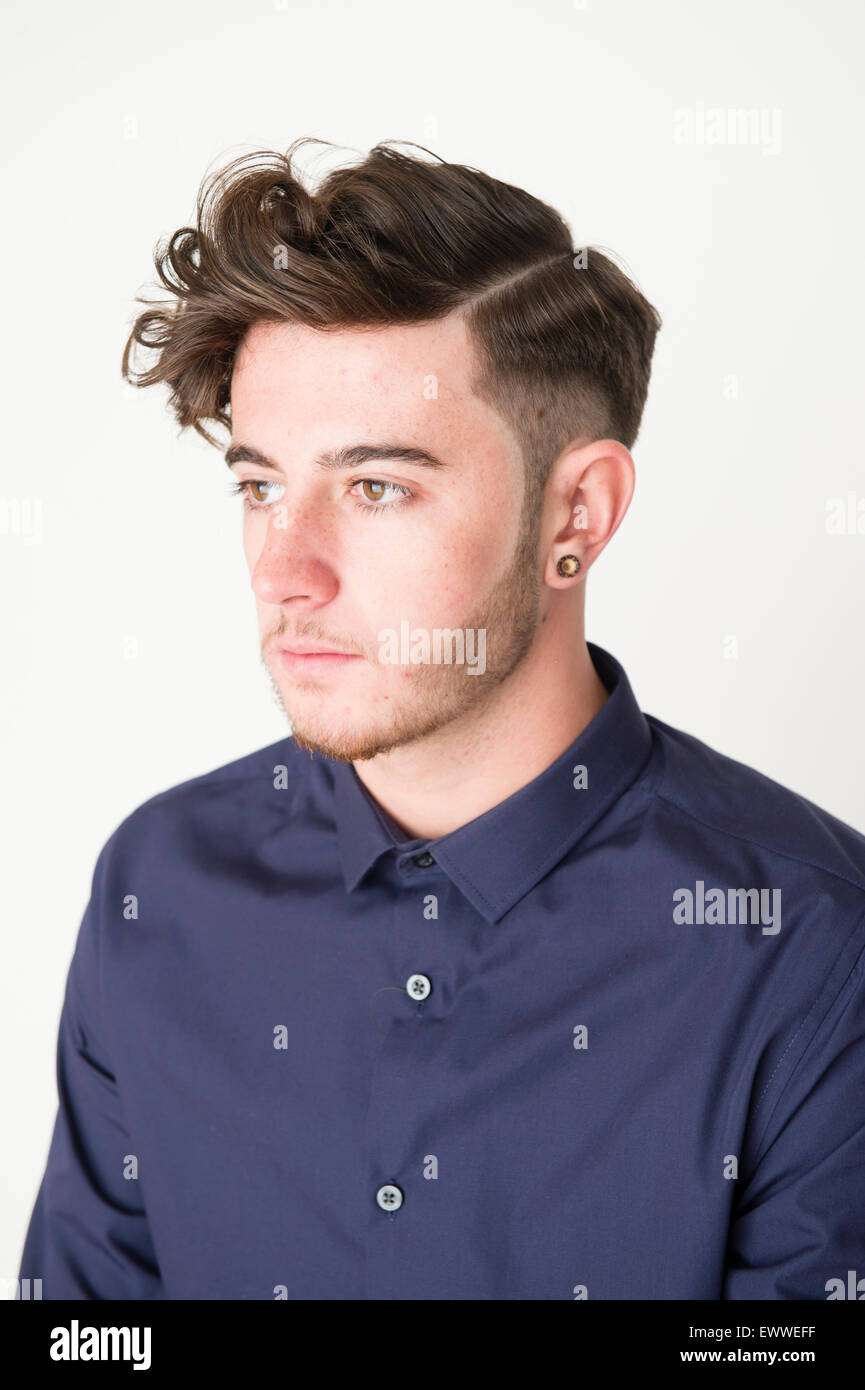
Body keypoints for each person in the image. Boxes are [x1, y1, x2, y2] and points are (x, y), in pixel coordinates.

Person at [19, 139, 865, 1300]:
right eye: (260, 485)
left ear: (578, 508)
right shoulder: (157, 887)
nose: (286, 571)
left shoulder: (810, 942)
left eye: (377, 487)